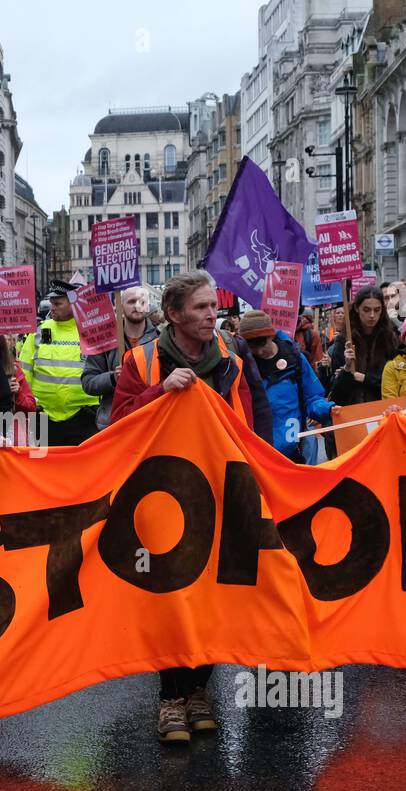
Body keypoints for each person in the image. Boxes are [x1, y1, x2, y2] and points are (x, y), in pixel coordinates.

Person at [110, 271, 272, 743]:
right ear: (175, 315)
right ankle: (171, 699)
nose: (211, 315)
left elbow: (254, 417)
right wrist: (159, 392)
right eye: (200, 308)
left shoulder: (232, 355)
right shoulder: (141, 359)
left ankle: (199, 691)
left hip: (223, 490)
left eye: (212, 307)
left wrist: (260, 475)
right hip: (162, 495)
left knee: (214, 596)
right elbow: (117, 421)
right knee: (172, 597)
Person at [238, 311, 335, 463]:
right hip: (262, 457)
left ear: (271, 335)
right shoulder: (242, 365)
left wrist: (329, 409)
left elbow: (312, 398)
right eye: (251, 346)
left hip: (298, 453)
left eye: (261, 343)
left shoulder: (294, 358)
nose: (258, 351)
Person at [19, 279, 100, 446]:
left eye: (57, 303)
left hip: (84, 418)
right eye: (51, 303)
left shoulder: (91, 332)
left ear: (73, 304)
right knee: (42, 468)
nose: (52, 307)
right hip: (43, 417)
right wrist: (28, 403)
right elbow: (25, 371)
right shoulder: (41, 331)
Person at [82, 285, 158, 429]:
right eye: (131, 302)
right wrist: (113, 378)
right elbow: (88, 382)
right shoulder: (105, 341)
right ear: (120, 306)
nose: (137, 305)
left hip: (150, 423)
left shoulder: (159, 340)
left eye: (142, 302)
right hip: (113, 425)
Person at [327, 286, 398, 406]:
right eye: (366, 310)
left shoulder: (390, 339)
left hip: (382, 408)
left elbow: (394, 382)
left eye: (377, 310)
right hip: (352, 411)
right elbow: (336, 391)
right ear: (356, 308)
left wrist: (364, 378)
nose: (372, 315)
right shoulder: (344, 341)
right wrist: (347, 369)